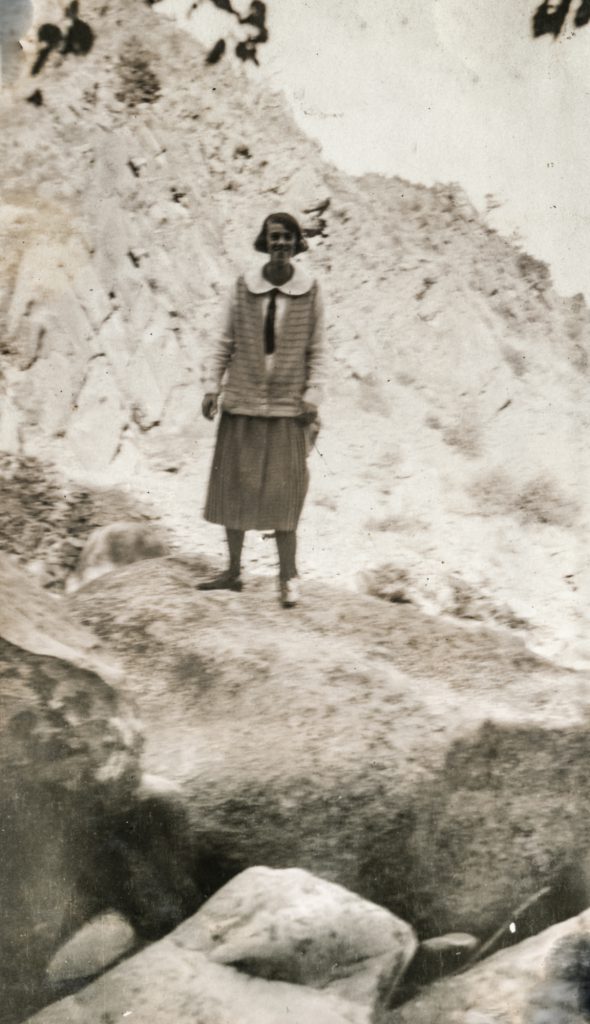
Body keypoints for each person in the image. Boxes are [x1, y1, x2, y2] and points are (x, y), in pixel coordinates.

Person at [198, 211, 325, 608]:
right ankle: (233, 571)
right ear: (264, 241)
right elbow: (224, 340)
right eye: (274, 237)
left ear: (297, 243)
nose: (280, 243)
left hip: (288, 405)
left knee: (285, 493)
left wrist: (313, 394)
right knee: (234, 487)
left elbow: (318, 349)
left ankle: (287, 577)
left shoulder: (311, 290)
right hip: (243, 400)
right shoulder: (243, 287)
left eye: (287, 237)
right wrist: (212, 386)